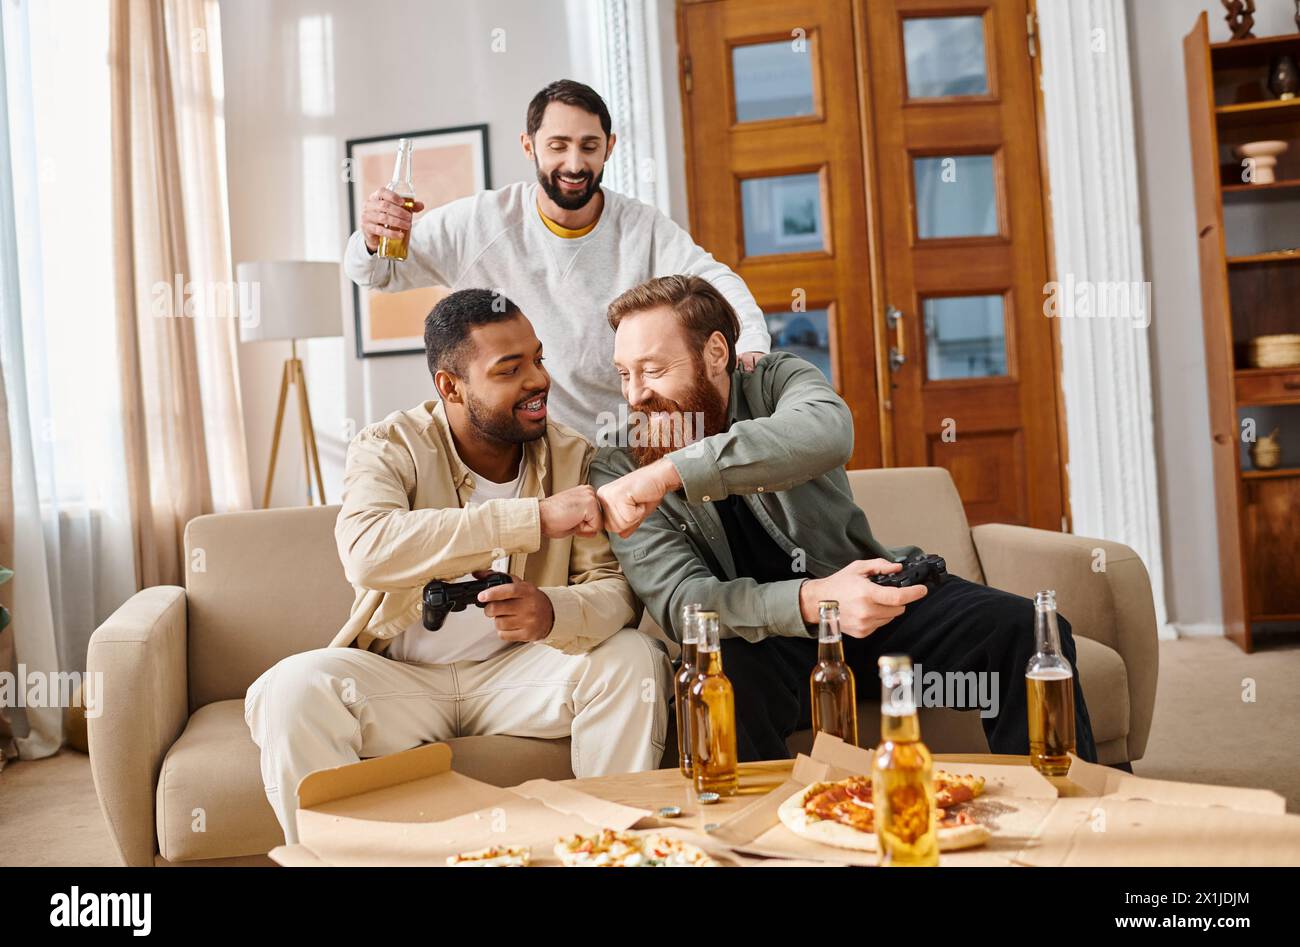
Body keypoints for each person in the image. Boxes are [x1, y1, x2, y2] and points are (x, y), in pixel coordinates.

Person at [588, 274, 1099, 764]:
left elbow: (827, 432)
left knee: (1025, 630)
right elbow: (683, 605)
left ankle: (1068, 821)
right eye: (623, 374)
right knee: (723, 677)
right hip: (763, 639)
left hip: (873, 603)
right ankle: (757, 850)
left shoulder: (776, 380)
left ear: (716, 353)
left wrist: (668, 474)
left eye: (652, 371)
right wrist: (814, 601)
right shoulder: (617, 465)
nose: (634, 395)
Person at [245, 289, 672, 843]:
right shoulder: (388, 445)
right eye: (509, 369)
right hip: (403, 683)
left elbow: (614, 591)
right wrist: (533, 518)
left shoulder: (574, 457)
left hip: (521, 676)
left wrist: (552, 612)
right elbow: (369, 549)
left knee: (633, 656)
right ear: (450, 386)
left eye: (538, 359)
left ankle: (613, 850)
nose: (538, 380)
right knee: (292, 687)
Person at [344, 79, 770, 441]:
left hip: (624, 440)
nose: (574, 163)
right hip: (529, 447)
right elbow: (378, 274)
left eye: (589, 146)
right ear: (529, 147)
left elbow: (711, 279)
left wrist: (749, 343)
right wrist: (369, 237)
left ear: (609, 148)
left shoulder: (642, 227)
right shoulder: (481, 221)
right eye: (558, 146)